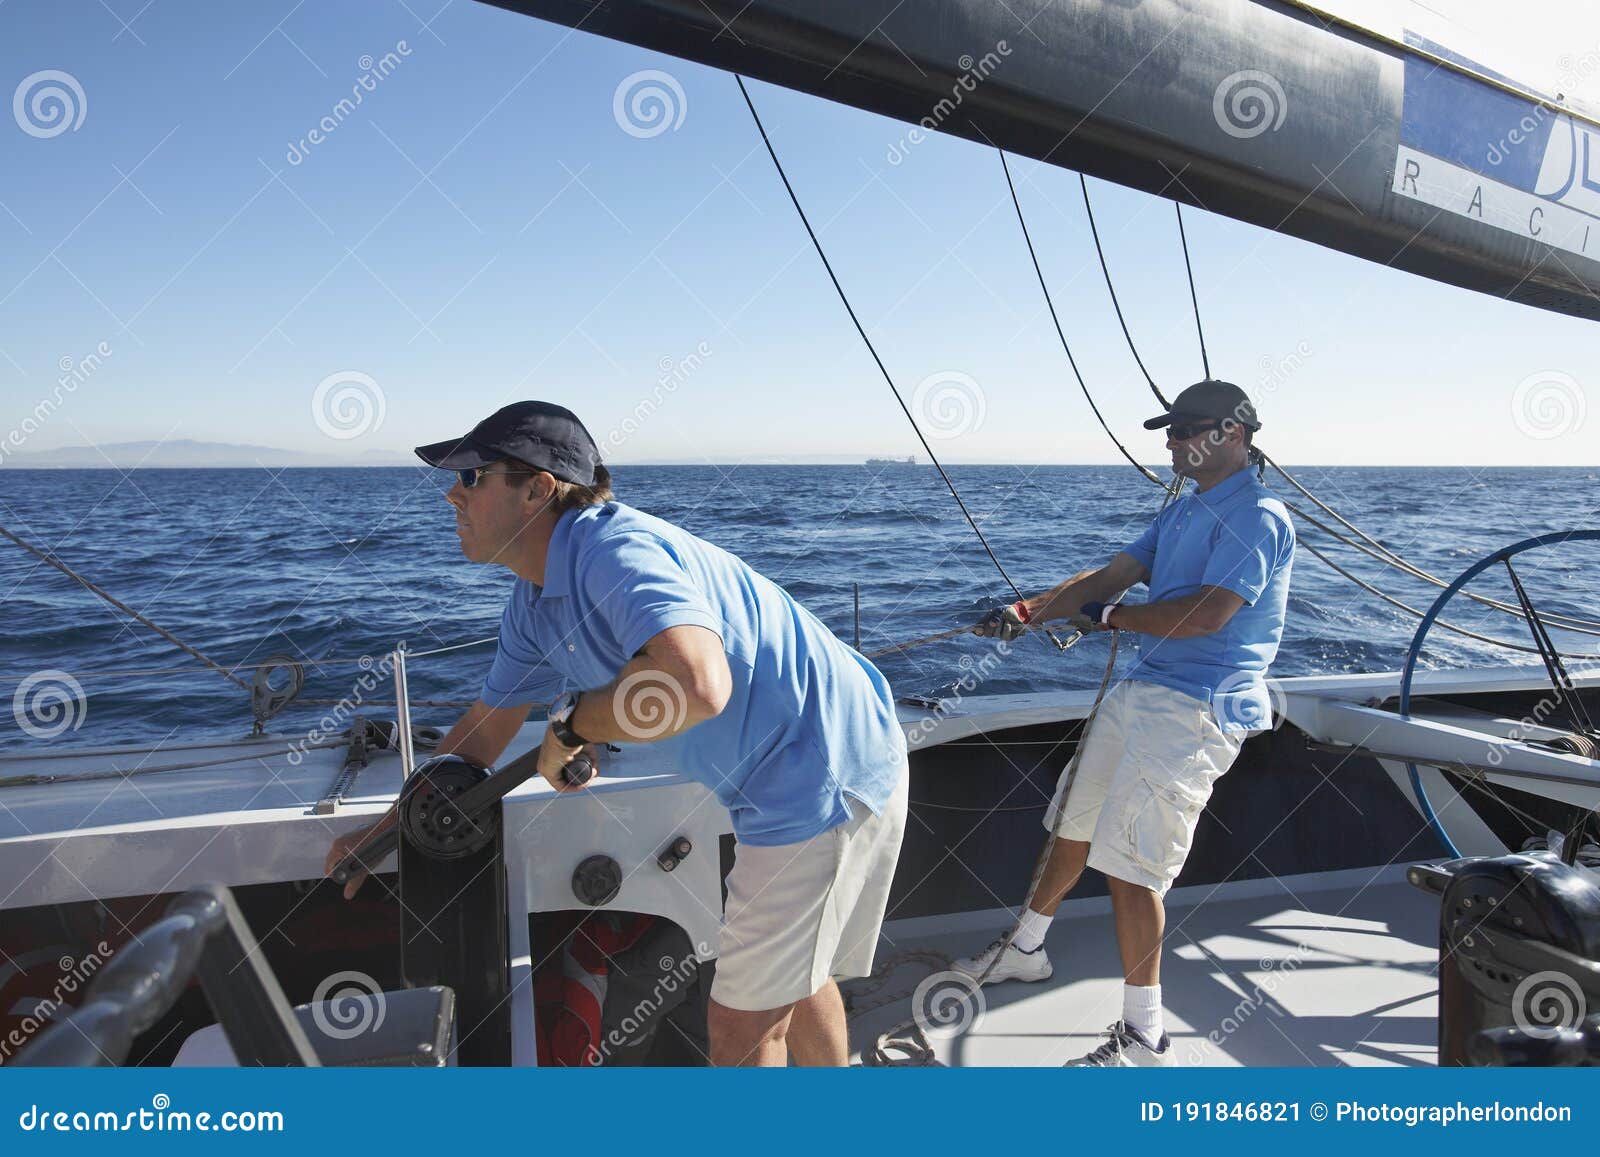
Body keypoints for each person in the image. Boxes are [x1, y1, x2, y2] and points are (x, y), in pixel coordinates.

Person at [323, 401, 908, 1067]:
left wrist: (573, 724)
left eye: (474, 476)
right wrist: (386, 832)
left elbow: (696, 684)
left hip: (819, 768)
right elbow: (482, 734)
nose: (453, 493)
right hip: (791, 766)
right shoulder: (535, 601)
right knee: (796, 977)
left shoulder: (610, 550)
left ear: (538, 488)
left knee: (740, 1029)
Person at [957, 379, 1294, 1067]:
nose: (1168, 443)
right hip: (1144, 689)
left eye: (1182, 430)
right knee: (1072, 824)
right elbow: (1110, 575)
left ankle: (1145, 1037)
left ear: (1230, 434)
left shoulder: (1260, 516)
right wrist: (1029, 612)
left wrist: (1109, 619)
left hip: (1197, 708)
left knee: (1134, 867)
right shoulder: (1181, 513)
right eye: (1167, 431)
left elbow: (1206, 614)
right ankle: (1026, 948)